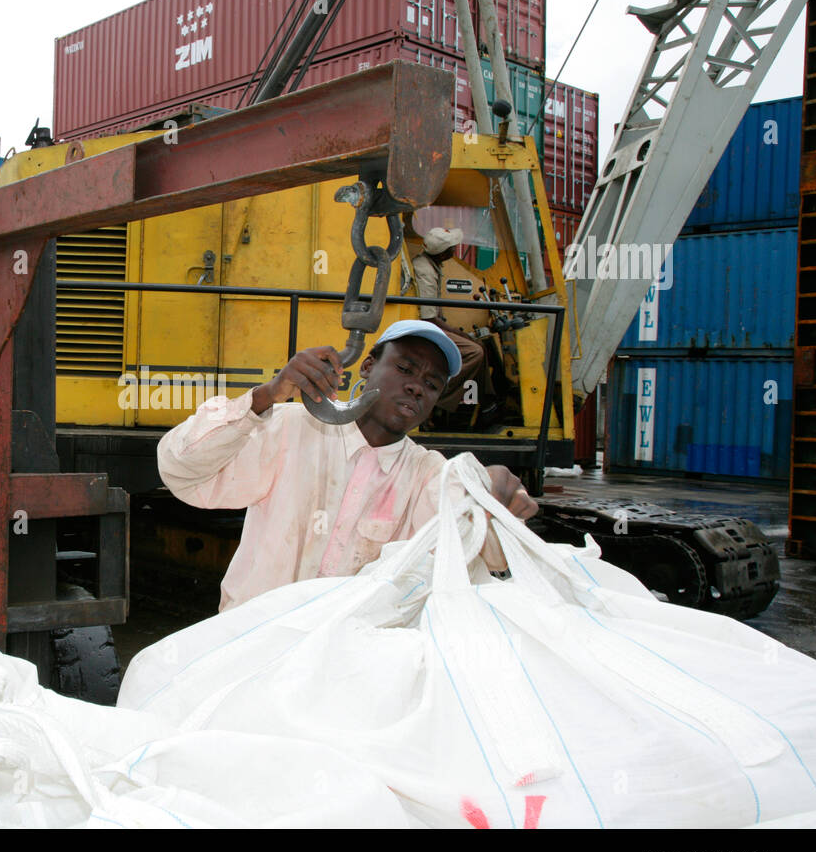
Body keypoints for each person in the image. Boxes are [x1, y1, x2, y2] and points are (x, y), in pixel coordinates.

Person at [157, 319, 537, 613]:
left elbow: (479, 553)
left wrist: (496, 501)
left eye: (432, 383)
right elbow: (181, 469)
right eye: (405, 369)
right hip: (254, 642)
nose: (417, 387)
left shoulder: (427, 476)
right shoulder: (291, 429)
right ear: (368, 366)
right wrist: (267, 395)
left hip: (345, 666)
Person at [409, 226, 498, 424]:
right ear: (443, 253)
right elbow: (428, 317)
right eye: (451, 248)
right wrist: (458, 333)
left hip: (430, 325)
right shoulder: (425, 271)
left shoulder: (431, 265)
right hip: (425, 329)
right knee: (474, 353)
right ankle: (433, 398)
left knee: (481, 346)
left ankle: (486, 402)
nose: (454, 251)